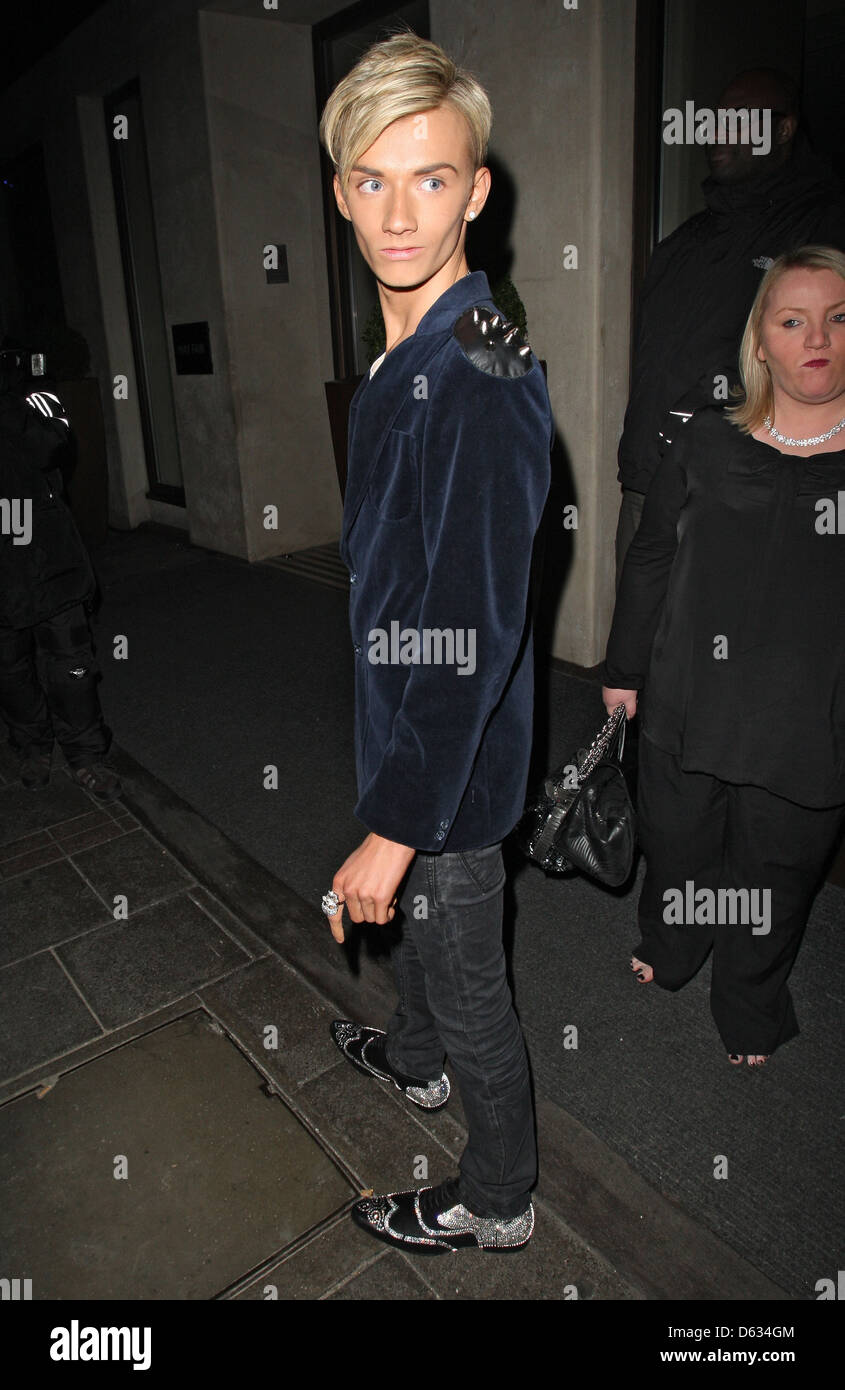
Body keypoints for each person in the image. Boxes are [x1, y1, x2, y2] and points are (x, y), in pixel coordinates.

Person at [317, 33, 552, 1252]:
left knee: (473, 993)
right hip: (406, 723)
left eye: (429, 178)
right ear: (341, 187)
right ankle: (407, 1062)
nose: (397, 212)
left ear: (476, 190)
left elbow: (473, 625)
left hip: (448, 776)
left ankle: (499, 1197)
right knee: (424, 954)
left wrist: (400, 820)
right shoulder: (404, 352)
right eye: (370, 177)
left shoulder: (480, 376)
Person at [602, 246, 845, 1066]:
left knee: (775, 878)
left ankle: (748, 1001)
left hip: (807, 724)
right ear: (761, 341)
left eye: (838, 318)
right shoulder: (704, 440)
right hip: (686, 699)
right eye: (792, 319)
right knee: (674, 843)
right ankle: (673, 944)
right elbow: (650, 559)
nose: (816, 337)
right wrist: (622, 672)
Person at [616, 68, 845, 580]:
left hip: (741, 490)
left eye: (739, 121)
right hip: (648, 482)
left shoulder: (822, 228)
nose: (718, 133)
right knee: (633, 640)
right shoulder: (684, 242)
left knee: (720, 651)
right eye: (714, 121)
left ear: (784, 130)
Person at [0, 346, 121, 801]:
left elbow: (51, 445)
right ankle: (32, 747)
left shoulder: (32, 391)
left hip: (49, 556)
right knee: (9, 669)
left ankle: (86, 757)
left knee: (71, 666)